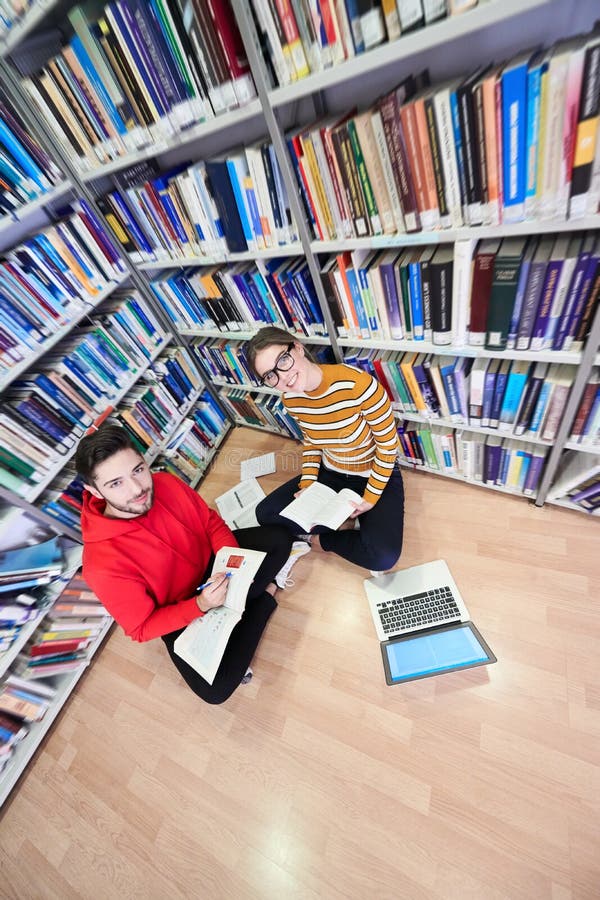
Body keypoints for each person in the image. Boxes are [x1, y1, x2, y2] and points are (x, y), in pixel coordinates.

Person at [75, 423, 294, 705]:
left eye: (138, 470)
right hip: (181, 609)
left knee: (279, 538)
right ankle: (262, 600)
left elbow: (211, 523)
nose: (138, 489)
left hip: (216, 570)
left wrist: (232, 562)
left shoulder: (165, 483)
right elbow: (142, 628)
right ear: (93, 491)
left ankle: (238, 612)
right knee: (215, 691)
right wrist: (201, 605)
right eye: (115, 483)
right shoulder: (101, 565)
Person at [246, 326, 404, 573]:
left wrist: (371, 498)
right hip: (331, 473)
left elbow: (387, 446)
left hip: (373, 473)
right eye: (270, 375)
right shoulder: (291, 398)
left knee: (383, 558)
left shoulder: (359, 385)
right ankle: (340, 522)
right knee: (264, 513)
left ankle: (322, 538)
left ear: (297, 348)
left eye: (283, 361)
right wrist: (308, 484)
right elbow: (311, 441)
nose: (283, 377)